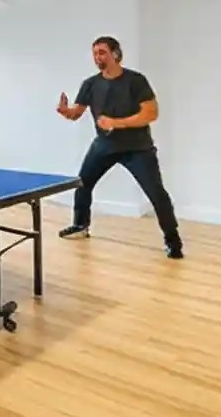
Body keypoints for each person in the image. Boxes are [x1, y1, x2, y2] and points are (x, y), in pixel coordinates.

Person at [56, 36, 184, 259]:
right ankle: (80, 225)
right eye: (95, 53)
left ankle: (172, 240)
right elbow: (77, 113)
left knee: (156, 193)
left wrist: (116, 123)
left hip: (137, 148)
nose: (97, 57)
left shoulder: (136, 81)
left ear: (115, 54)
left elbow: (151, 113)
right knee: (82, 183)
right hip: (104, 145)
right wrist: (67, 112)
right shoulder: (90, 84)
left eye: (102, 52)